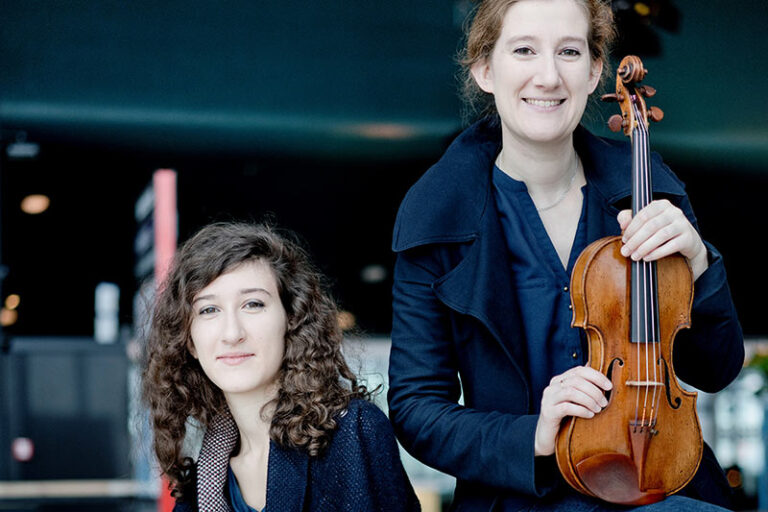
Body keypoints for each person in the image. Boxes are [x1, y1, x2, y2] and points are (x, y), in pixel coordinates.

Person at [387, 0, 744, 510]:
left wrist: (698, 264)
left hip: (658, 483)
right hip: (518, 497)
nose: (548, 76)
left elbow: (714, 370)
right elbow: (418, 409)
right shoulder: (435, 218)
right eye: (525, 50)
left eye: (569, 51)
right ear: (486, 69)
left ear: (596, 69)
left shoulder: (649, 191)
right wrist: (534, 432)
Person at [143, 222, 420, 512]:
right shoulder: (201, 485)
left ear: (291, 319)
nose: (232, 333)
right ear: (189, 341)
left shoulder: (352, 432)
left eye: (253, 304)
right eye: (208, 310)